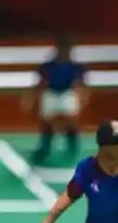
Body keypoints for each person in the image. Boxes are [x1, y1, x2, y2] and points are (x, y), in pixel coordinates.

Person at [26, 36, 87, 164]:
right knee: (47, 122)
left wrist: (81, 98)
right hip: (51, 93)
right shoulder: (48, 66)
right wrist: (31, 98)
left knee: (71, 122)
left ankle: (72, 149)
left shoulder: (76, 67)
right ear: (57, 48)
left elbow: (79, 84)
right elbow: (41, 83)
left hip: (68, 93)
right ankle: (44, 148)